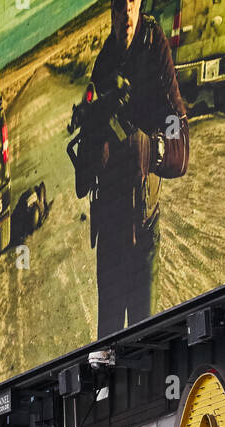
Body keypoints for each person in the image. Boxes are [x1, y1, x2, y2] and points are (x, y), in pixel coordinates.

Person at [74, 0, 189, 337]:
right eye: (119, 3)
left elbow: (178, 136)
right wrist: (93, 152)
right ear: (110, 8)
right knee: (107, 341)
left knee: (144, 339)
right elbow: (89, 141)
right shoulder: (104, 61)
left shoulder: (153, 44)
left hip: (142, 223)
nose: (127, 9)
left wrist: (150, 148)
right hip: (110, 228)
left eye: (133, 1)